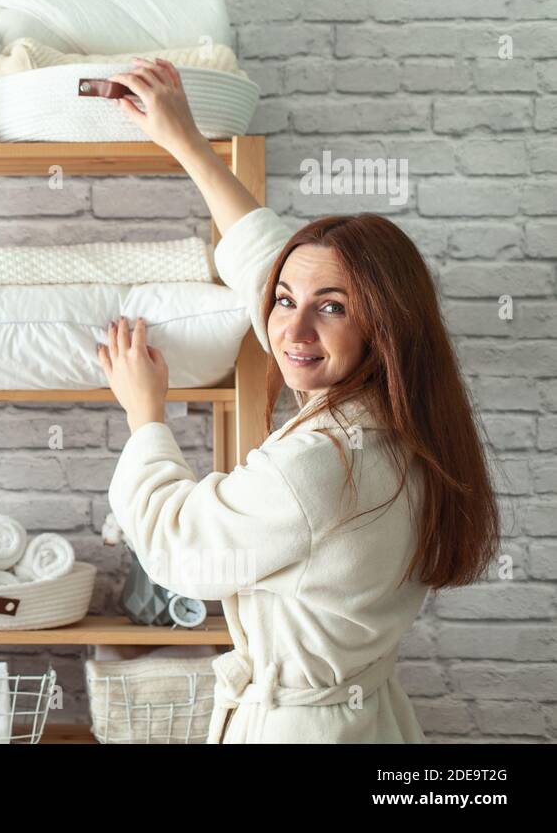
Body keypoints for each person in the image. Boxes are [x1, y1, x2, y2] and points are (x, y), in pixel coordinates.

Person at [96, 57, 501, 743]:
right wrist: (186, 142)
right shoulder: (412, 422)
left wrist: (145, 415)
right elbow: (272, 268)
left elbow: (176, 548)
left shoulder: (316, 464)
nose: (291, 330)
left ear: (383, 322)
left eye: (332, 309)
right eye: (285, 303)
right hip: (368, 714)